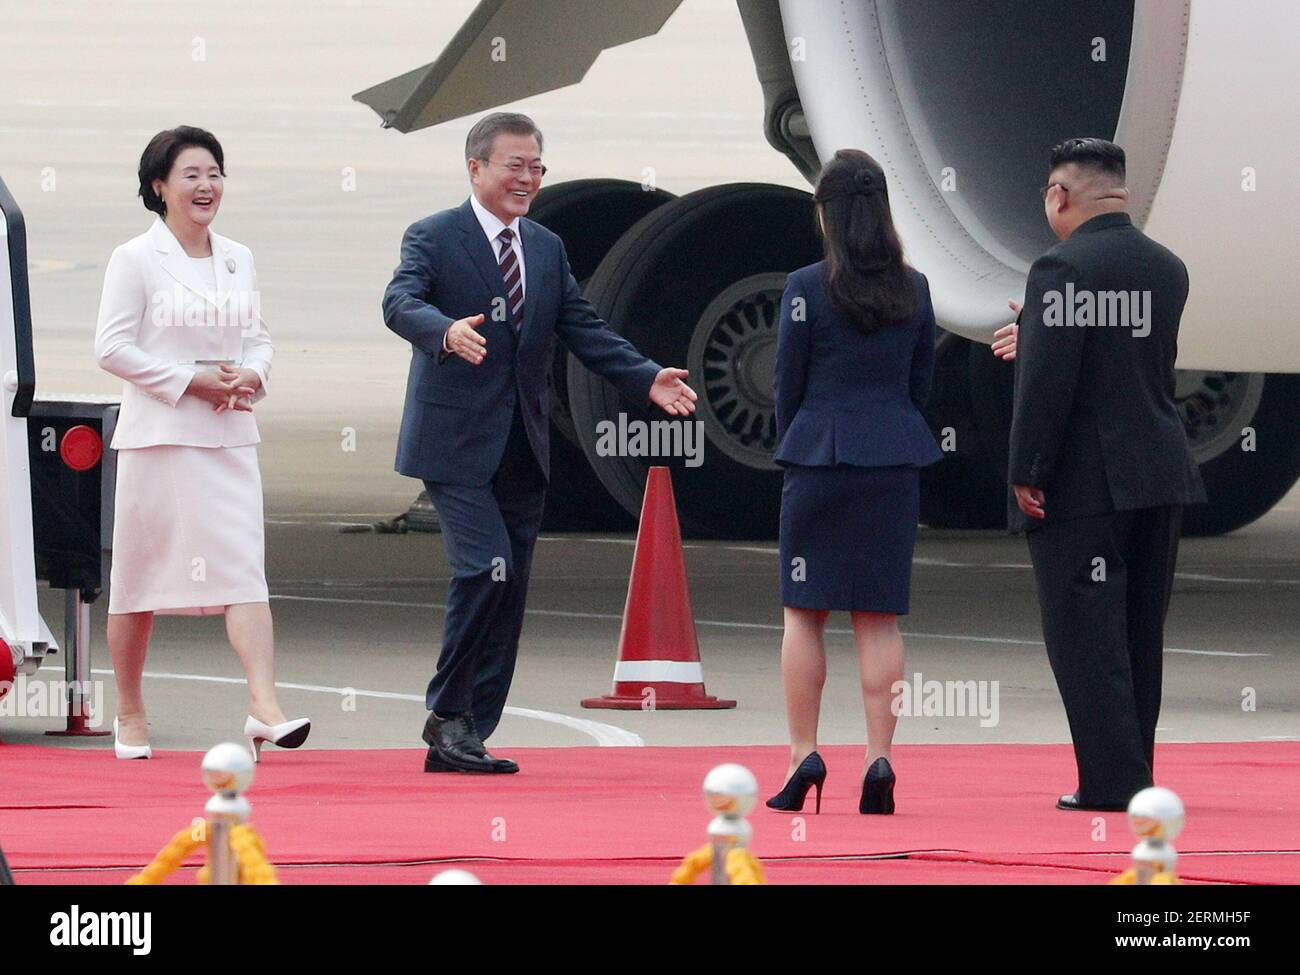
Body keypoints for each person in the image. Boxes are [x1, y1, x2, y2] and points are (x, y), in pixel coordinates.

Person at [382, 112, 698, 775]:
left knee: (512, 584)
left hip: (522, 447)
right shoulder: (436, 237)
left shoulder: (546, 247)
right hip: (455, 444)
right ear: (476, 169)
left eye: (536, 167)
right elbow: (398, 301)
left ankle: (469, 726)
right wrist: (443, 331)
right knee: (484, 567)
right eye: (513, 166)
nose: (527, 178)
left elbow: (584, 328)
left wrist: (646, 378)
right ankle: (448, 711)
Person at [996, 137, 1205, 810]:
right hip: (1158, 468)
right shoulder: (1167, 267)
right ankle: (1135, 770)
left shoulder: (1061, 268)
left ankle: (1110, 783)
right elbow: (1126, 358)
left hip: (1087, 480)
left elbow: (1053, 383)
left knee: (1087, 632)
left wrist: (1027, 468)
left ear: (1061, 195)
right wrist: (1041, 333)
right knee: (1140, 630)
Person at [94, 126, 309, 762]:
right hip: (161, 440)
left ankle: (263, 707)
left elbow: (259, 337)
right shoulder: (134, 258)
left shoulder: (238, 255)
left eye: (214, 173)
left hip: (230, 435)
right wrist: (189, 381)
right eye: (190, 174)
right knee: (140, 580)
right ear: (159, 187)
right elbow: (111, 348)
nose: (206, 185)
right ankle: (129, 709)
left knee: (245, 571)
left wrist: (254, 374)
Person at [767, 149, 943, 815]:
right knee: (879, 621)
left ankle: (803, 753)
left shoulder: (807, 286)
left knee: (803, 614)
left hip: (820, 457)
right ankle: (880, 760)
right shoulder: (915, 286)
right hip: (893, 459)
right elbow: (920, 381)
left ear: (827, 214)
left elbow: (789, 381)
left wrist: (801, 437)